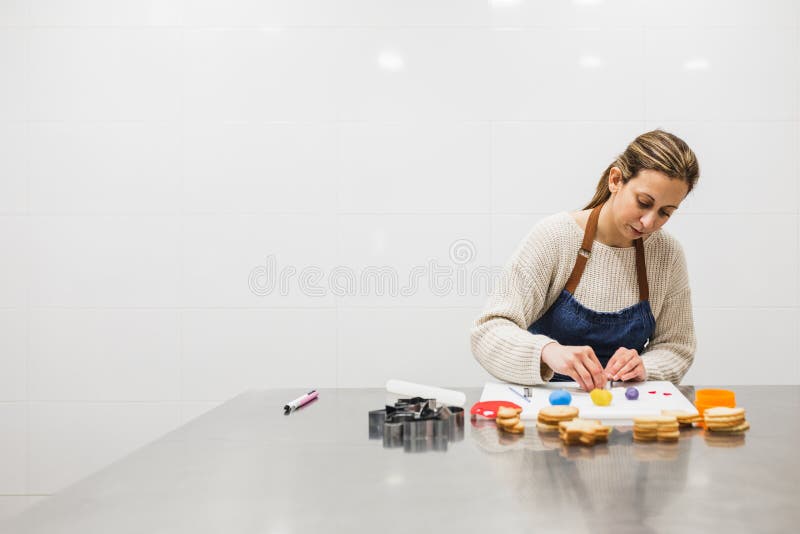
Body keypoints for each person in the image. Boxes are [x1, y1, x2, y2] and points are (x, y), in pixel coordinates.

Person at [471, 129, 699, 392]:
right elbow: (487, 331)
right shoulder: (555, 237)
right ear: (616, 180)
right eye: (643, 202)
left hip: (625, 414)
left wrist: (646, 367)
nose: (649, 222)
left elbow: (677, 346)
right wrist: (548, 352)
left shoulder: (667, 254)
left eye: (665, 213)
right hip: (547, 413)